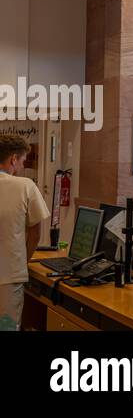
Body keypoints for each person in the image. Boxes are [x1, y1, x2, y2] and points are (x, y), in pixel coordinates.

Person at [0, 134, 49, 331]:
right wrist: (24, 261)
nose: (21, 166)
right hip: (9, 277)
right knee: (7, 328)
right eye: (21, 161)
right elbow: (35, 233)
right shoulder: (24, 186)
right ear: (13, 159)